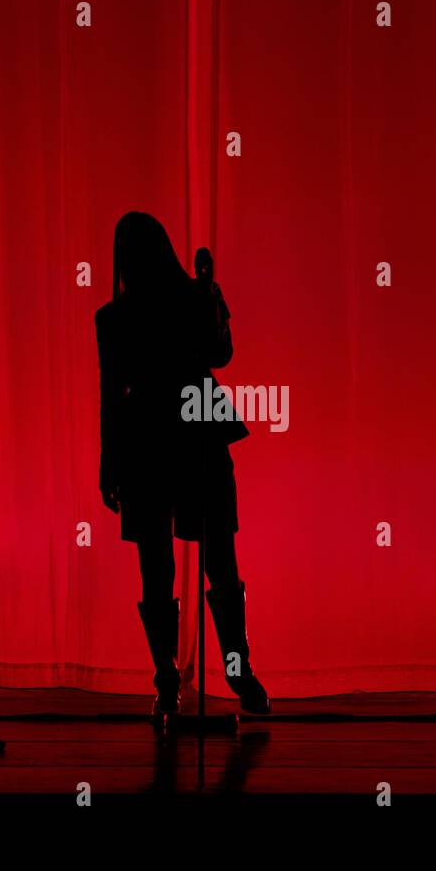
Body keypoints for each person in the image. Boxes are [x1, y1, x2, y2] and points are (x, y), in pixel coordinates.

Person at [95, 212, 269, 717]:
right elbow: (221, 355)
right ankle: (232, 672)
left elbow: (112, 395)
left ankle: (169, 677)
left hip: (148, 438)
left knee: (161, 565)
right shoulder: (186, 297)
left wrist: (109, 465)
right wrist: (209, 300)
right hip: (195, 428)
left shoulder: (115, 316)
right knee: (218, 558)